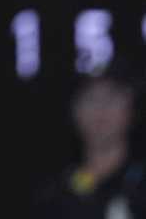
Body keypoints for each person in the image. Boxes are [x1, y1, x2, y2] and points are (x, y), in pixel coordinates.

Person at [33, 61, 145, 218]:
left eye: (111, 97)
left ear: (132, 109)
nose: (100, 109)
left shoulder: (139, 187)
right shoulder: (54, 193)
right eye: (89, 98)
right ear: (74, 111)